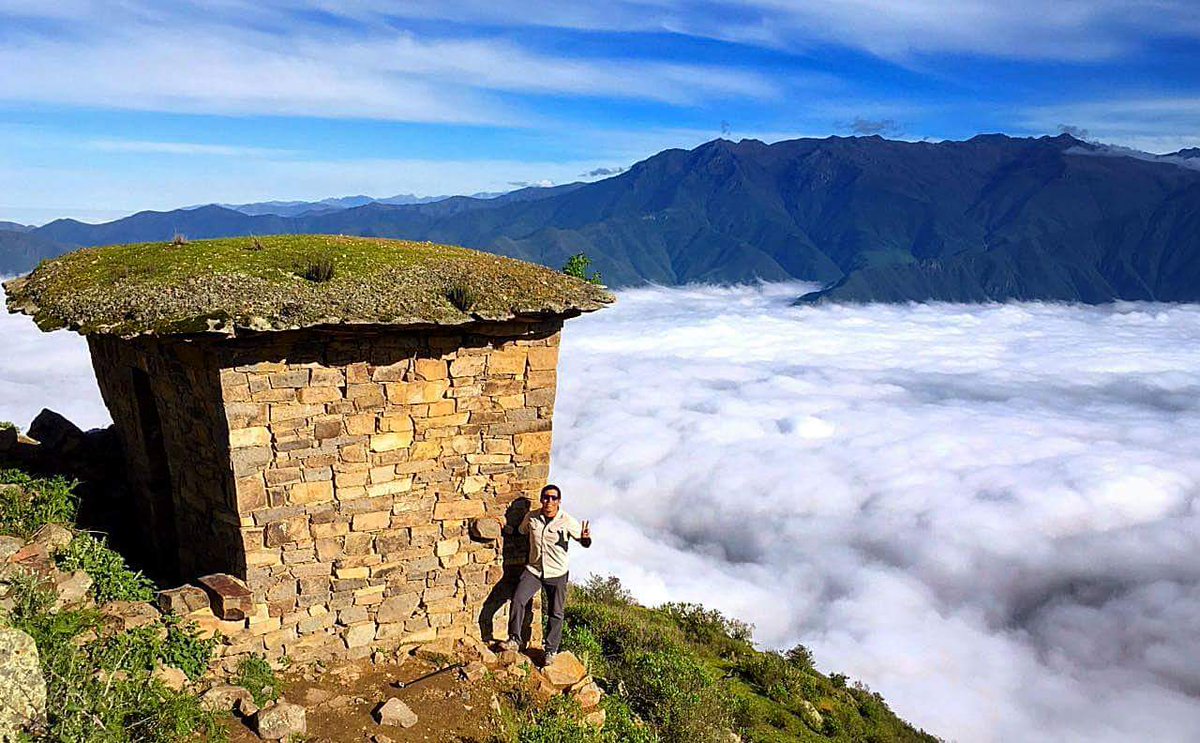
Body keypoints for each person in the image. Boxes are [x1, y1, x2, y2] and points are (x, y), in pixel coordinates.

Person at [503, 483, 592, 665]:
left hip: (557, 573)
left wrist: (586, 538)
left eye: (553, 498)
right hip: (534, 570)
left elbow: (584, 542)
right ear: (541, 499)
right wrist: (505, 528)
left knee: (555, 612)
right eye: (546, 497)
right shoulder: (532, 517)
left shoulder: (567, 521)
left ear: (559, 501)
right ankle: (515, 639)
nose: (549, 501)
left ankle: (550, 650)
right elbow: (521, 532)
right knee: (518, 600)